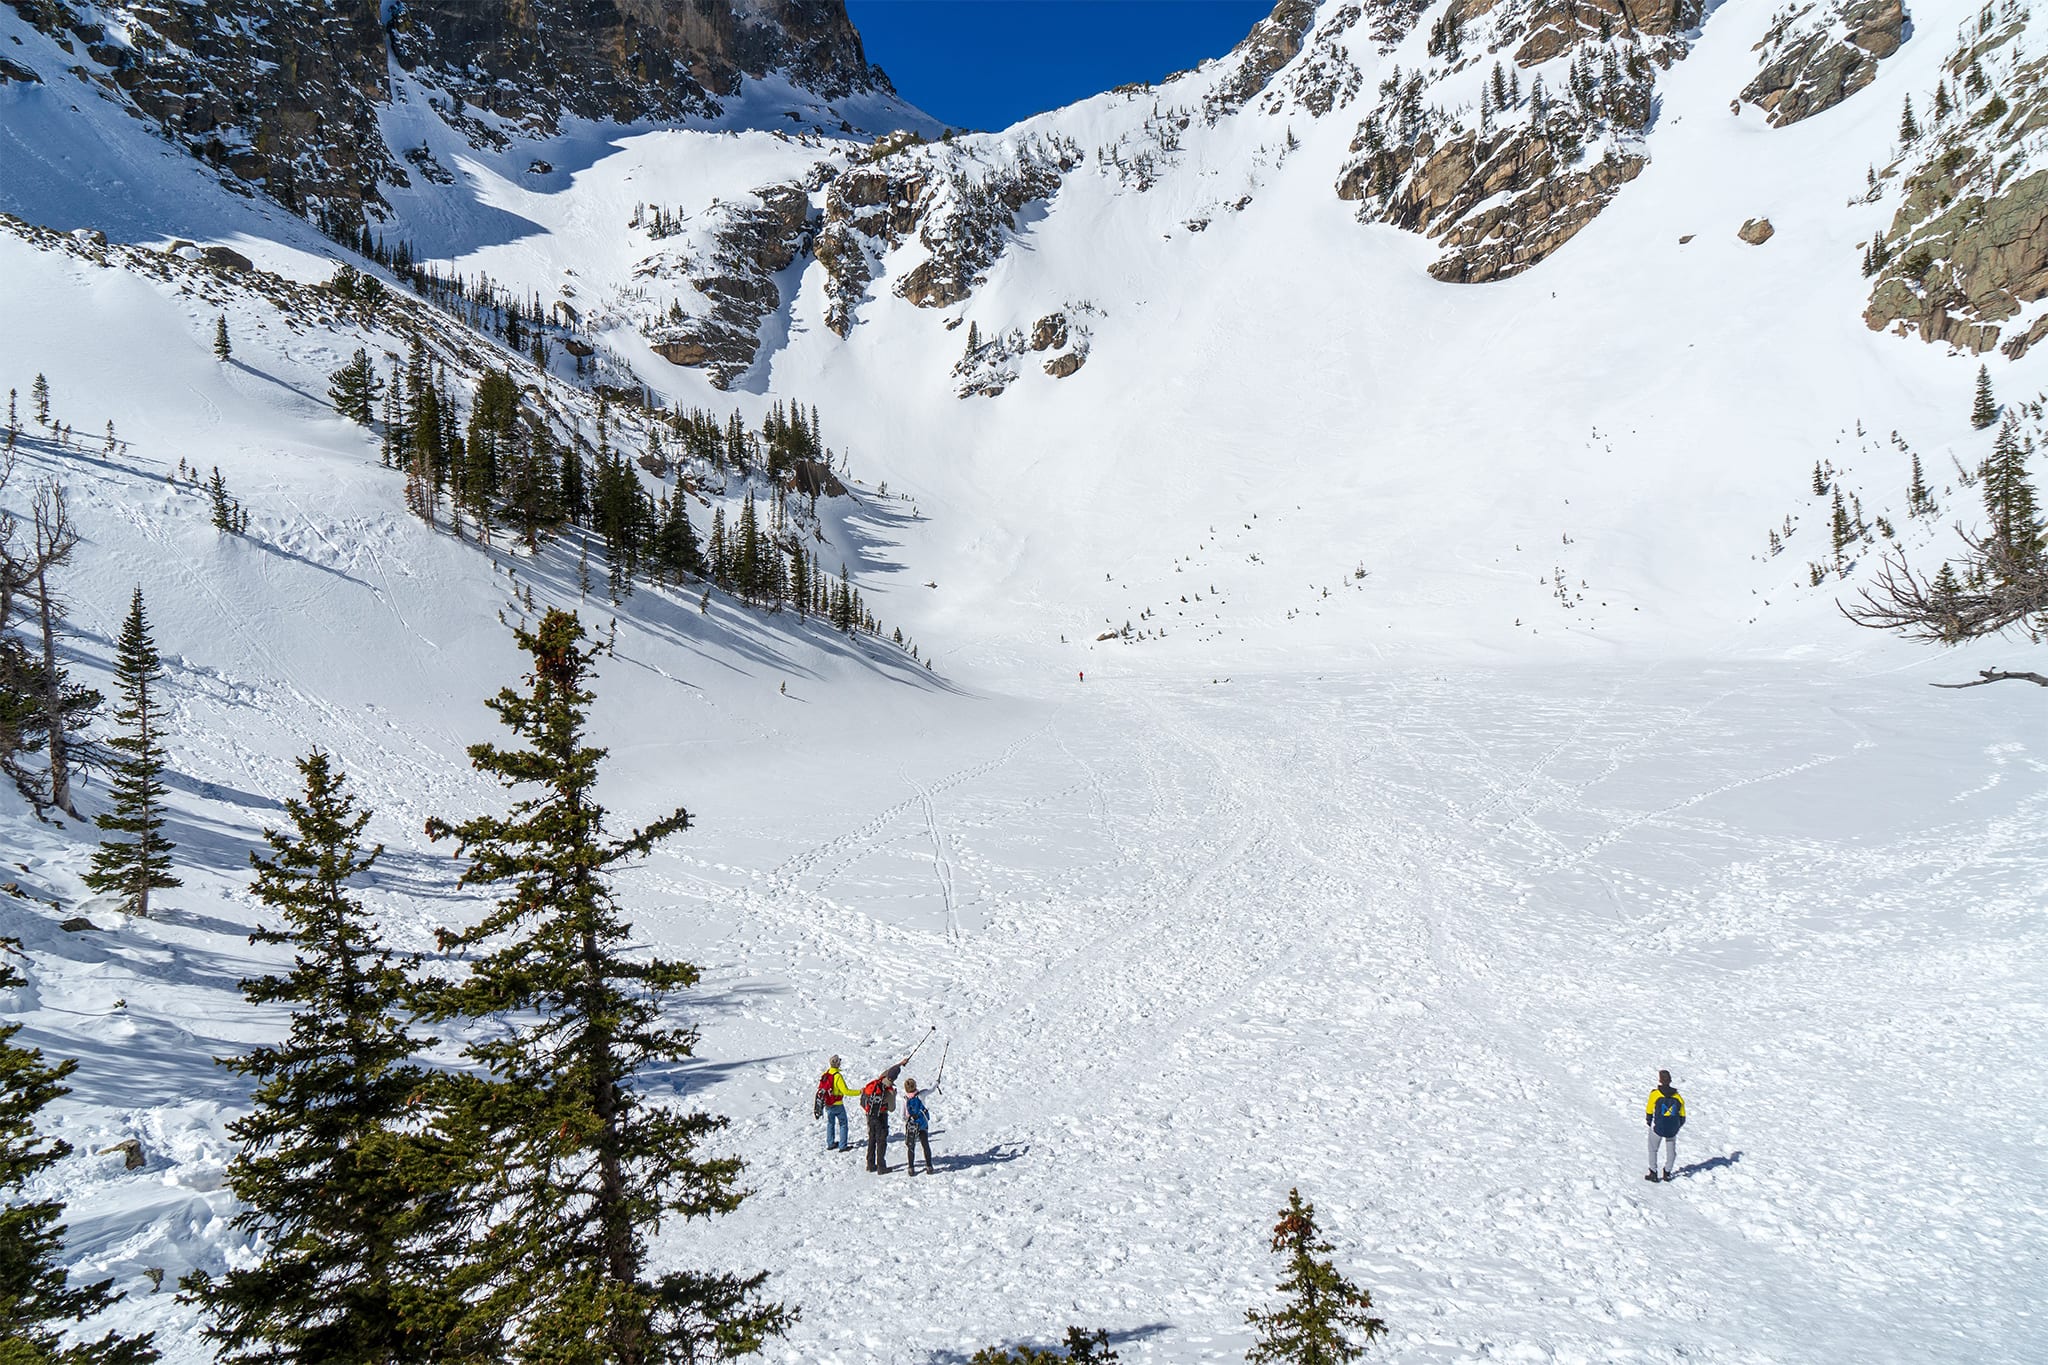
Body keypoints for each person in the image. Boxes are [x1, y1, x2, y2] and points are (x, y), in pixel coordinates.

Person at [861, 1061, 904, 1173]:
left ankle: (870, 1164)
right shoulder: (889, 1091)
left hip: (870, 1115)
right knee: (881, 1141)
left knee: (872, 1138)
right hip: (881, 1117)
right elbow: (892, 1108)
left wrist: (900, 1064)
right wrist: (894, 1095)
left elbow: (888, 1071)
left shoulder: (878, 1081)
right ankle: (881, 1166)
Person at [1645, 1069, 1686, 1181]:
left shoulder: (1655, 1094)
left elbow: (1649, 1110)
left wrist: (1650, 1122)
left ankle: (1653, 1172)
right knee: (1671, 1151)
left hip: (1657, 1127)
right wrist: (1676, 1127)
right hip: (1672, 1128)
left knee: (1653, 1149)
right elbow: (1682, 1116)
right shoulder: (1678, 1097)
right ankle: (1667, 1172)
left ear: (1660, 1080)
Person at [816, 1055, 856, 1152]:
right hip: (837, 1104)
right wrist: (860, 1092)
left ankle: (830, 1143)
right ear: (838, 1064)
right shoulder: (837, 1076)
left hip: (827, 1103)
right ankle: (843, 1146)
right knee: (843, 1124)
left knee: (830, 1123)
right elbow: (846, 1091)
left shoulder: (826, 1073)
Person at [902, 1078, 934, 1176]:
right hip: (922, 1124)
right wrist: (936, 1082)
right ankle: (929, 1166)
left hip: (911, 1125)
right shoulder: (921, 1095)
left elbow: (902, 1115)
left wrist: (908, 1120)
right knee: (925, 1145)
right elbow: (932, 1089)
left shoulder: (905, 1098)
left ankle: (911, 1168)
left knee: (911, 1147)